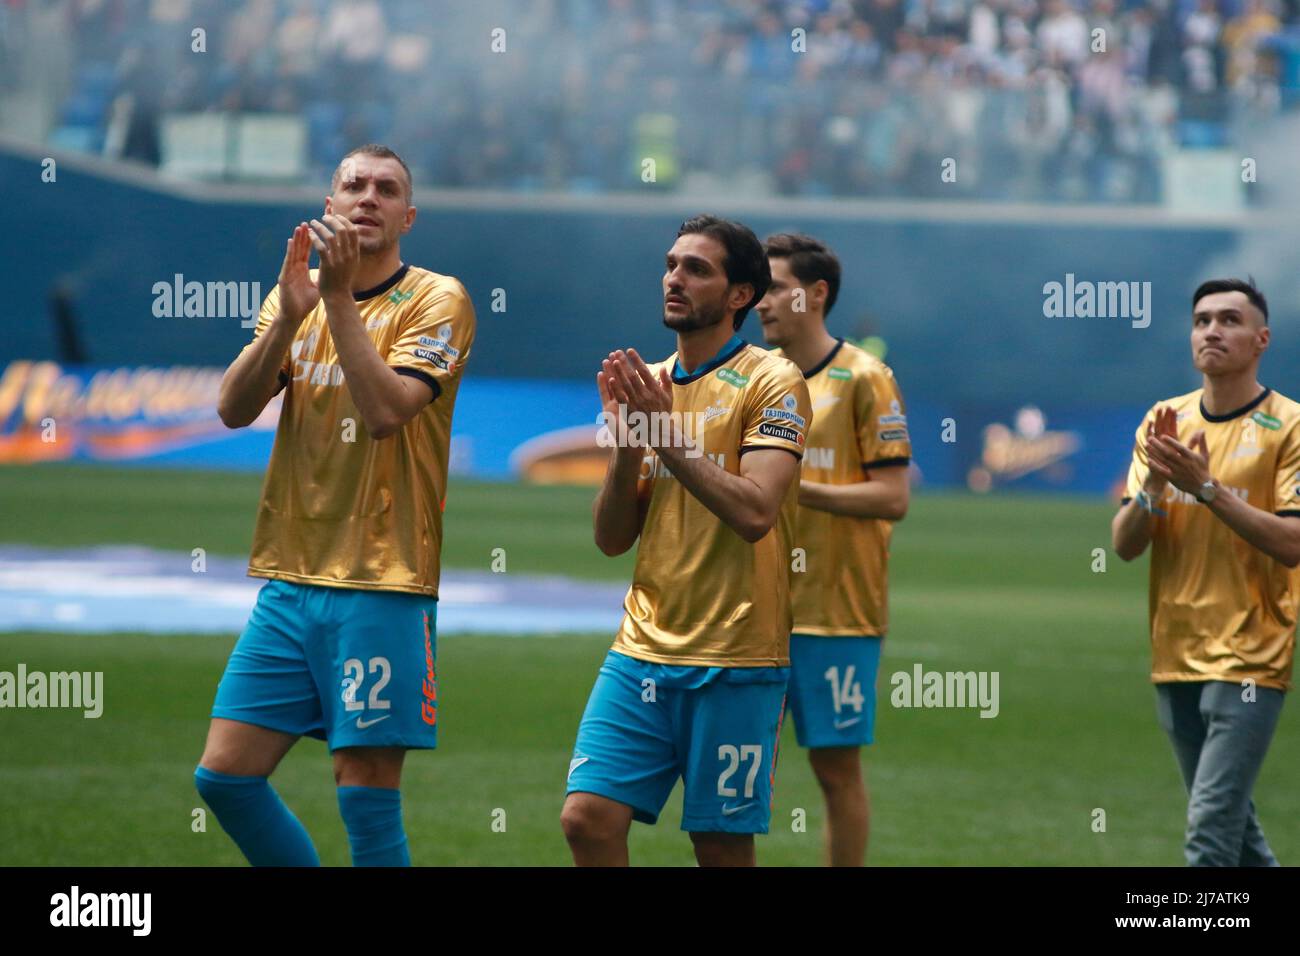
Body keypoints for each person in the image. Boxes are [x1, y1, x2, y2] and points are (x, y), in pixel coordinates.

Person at [195, 144, 475, 866]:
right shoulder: (296, 295)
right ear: (329, 206)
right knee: (225, 776)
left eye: (386, 189)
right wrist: (290, 317)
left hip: (383, 581)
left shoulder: (438, 299)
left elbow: (386, 411)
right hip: (291, 581)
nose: (368, 198)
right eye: (353, 185)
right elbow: (232, 409)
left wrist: (338, 299)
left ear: (407, 216)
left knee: (365, 794)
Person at [561, 214, 812, 866]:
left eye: (697, 268)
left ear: (739, 296)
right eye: (672, 264)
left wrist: (664, 436)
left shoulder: (773, 381)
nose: (675, 278)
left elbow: (756, 511)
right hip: (641, 649)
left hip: (738, 659)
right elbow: (612, 540)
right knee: (586, 818)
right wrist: (624, 450)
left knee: (720, 848)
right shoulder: (648, 383)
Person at [1112, 277, 1299, 867]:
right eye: (1201, 321)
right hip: (1175, 650)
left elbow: (1293, 543)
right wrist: (1157, 486)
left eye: (1228, 320)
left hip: (1251, 654)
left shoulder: (1289, 425)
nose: (1212, 331)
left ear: (1260, 339)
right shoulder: (1163, 421)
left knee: (1210, 835)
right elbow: (1124, 545)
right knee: (1238, 836)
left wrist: (1208, 489)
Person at [755, 233, 910, 866]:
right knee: (736, 770)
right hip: (756, 608)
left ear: (815, 294)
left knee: (835, 772)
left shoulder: (865, 379)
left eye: (772, 288)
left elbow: (893, 497)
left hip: (837, 612)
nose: (759, 303)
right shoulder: (754, 376)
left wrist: (797, 489)